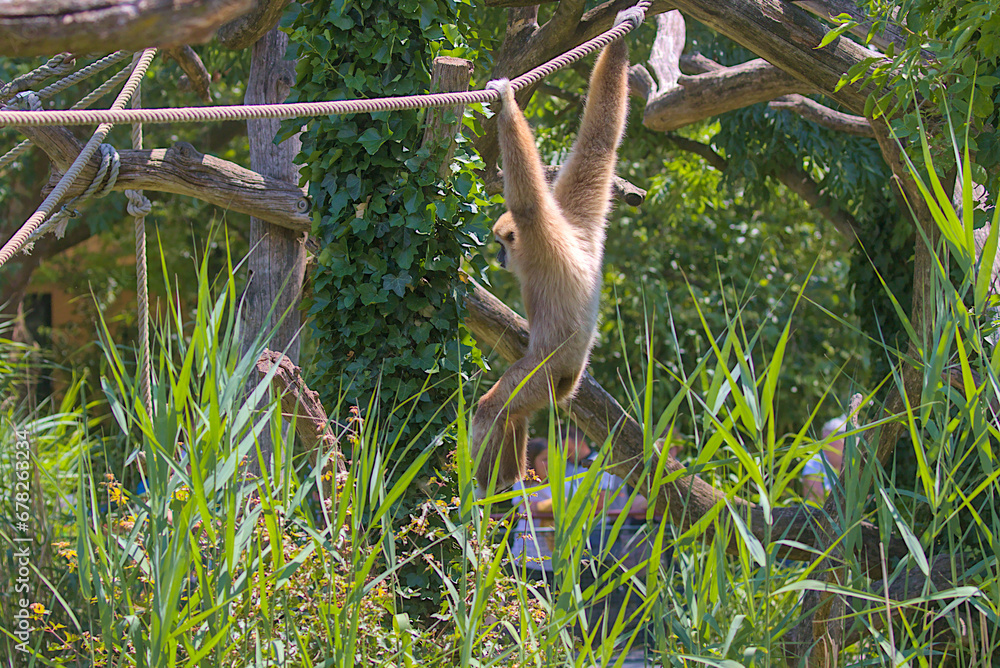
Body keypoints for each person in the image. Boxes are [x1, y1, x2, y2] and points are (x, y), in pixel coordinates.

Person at [803, 415, 847, 502]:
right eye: (823, 440)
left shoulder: (854, 462)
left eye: (830, 441)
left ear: (843, 441)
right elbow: (813, 497)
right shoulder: (815, 462)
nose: (825, 446)